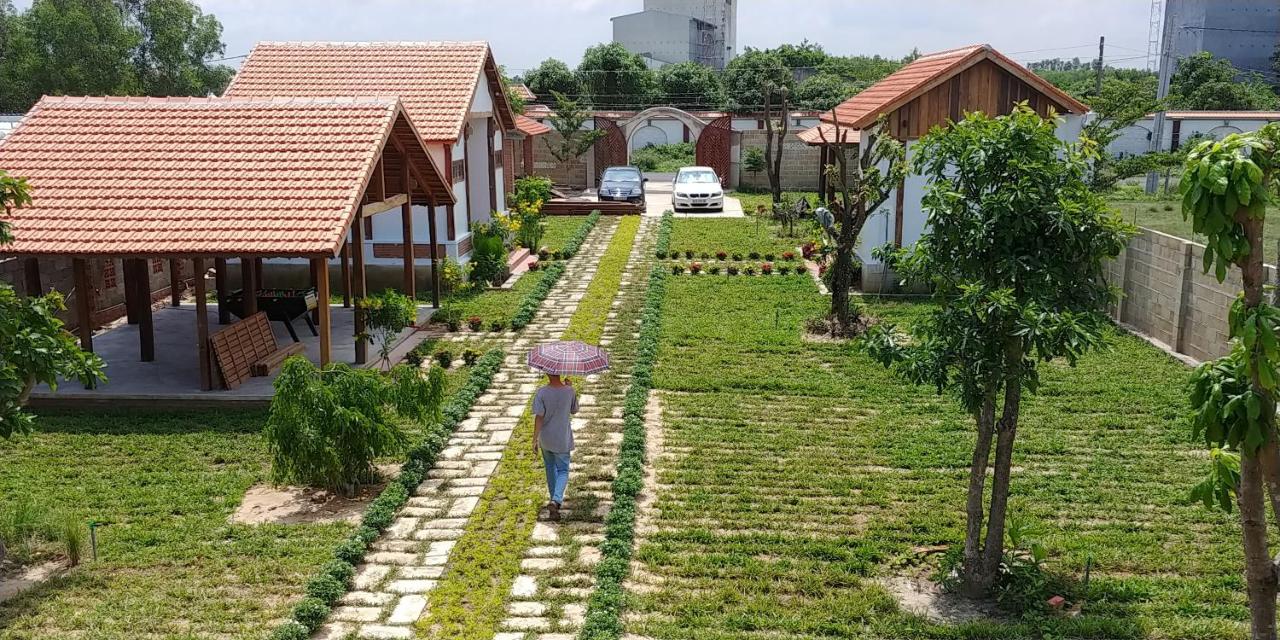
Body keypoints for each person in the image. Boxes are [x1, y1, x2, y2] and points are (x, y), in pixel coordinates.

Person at [532, 373, 578, 521]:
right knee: (563, 470)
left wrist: (534, 439)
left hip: (546, 438)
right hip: (562, 437)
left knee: (550, 467)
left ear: (546, 373)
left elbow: (539, 417)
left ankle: (553, 503)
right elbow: (574, 410)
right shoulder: (569, 391)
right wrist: (570, 388)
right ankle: (556, 500)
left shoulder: (542, 392)